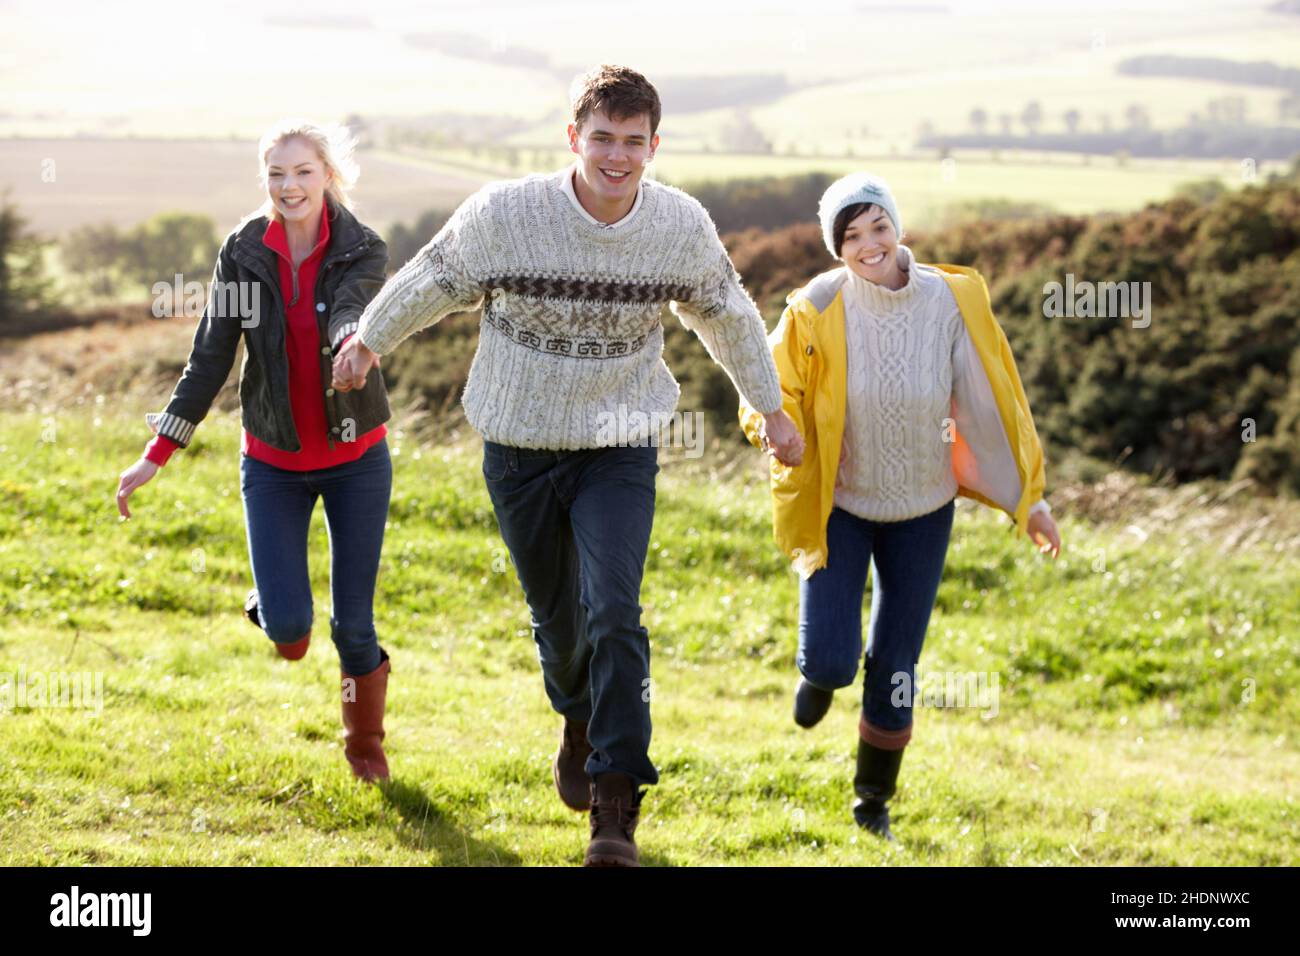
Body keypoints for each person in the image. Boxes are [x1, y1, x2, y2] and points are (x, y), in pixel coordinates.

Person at [331, 64, 803, 865]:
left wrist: (773, 405)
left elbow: (727, 315)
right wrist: (370, 337)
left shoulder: (679, 227)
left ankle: (616, 804)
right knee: (560, 626)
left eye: (632, 142)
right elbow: (434, 279)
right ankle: (578, 717)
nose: (616, 157)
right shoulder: (508, 215)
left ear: (654, 146)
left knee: (615, 608)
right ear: (573, 139)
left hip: (618, 444)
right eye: (602, 139)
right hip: (518, 445)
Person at [739, 172, 1062, 842]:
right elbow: (769, 389)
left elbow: (991, 398)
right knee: (831, 659)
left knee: (895, 668)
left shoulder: (952, 299)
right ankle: (822, 675)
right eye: (851, 236)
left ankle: (871, 805)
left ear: (898, 227)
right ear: (837, 248)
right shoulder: (815, 306)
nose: (869, 244)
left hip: (923, 510)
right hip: (843, 506)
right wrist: (776, 428)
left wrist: (1028, 500)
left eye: (878, 227)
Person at [114, 120, 397, 782]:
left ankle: (365, 747)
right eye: (276, 173)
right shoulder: (244, 252)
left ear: (329, 175)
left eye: (302, 172)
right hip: (271, 463)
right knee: (291, 636)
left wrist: (353, 342)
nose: (288, 185)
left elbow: (353, 311)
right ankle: (274, 609)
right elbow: (210, 359)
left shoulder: (362, 248)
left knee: (353, 628)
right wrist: (154, 455)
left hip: (357, 459)